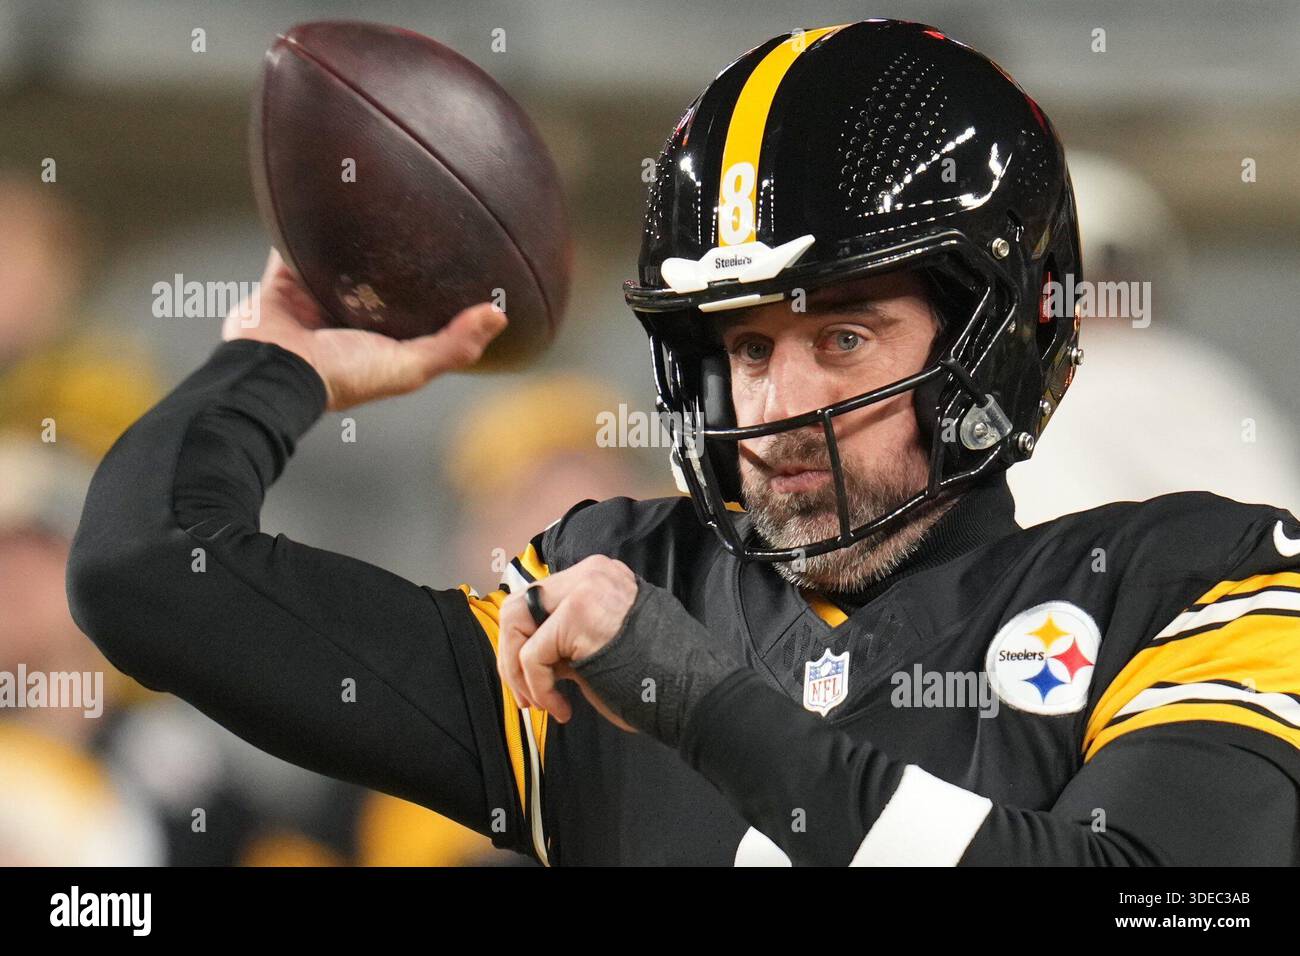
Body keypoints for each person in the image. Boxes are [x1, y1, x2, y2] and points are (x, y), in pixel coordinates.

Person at [69, 20, 1300, 866]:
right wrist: (276, 368)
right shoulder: (616, 595)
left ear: (997, 336)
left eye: (844, 339)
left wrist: (692, 697)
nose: (772, 406)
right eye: (747, 349)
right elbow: (146, 569)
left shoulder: (1196, 582)